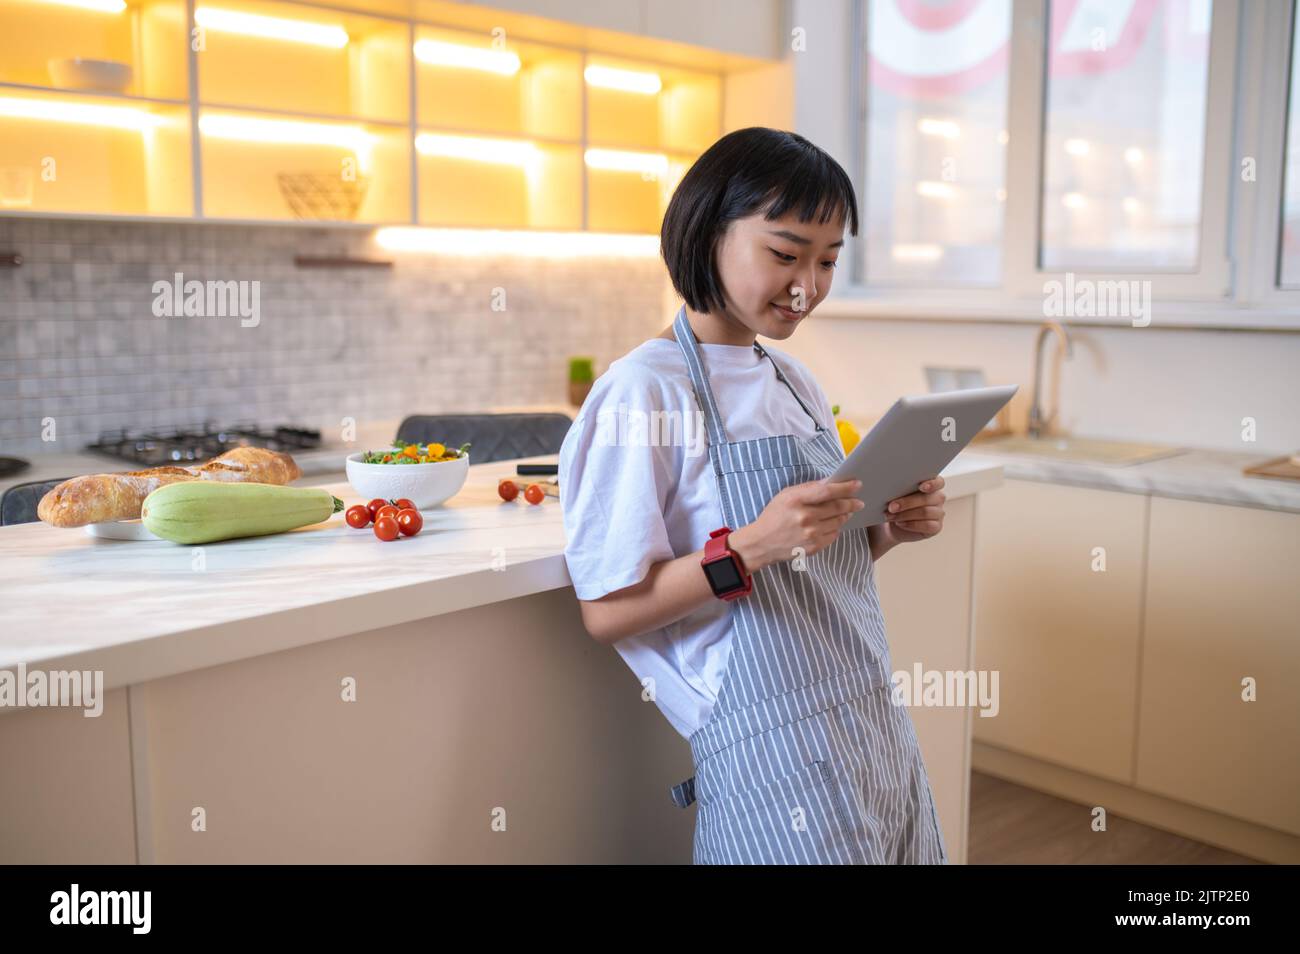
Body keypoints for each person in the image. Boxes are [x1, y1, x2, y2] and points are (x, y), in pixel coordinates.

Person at [559, 127, 948, 864]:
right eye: (785, 254)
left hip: (872, 728)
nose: (809, 284)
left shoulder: (795, 383)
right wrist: (744, 550)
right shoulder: (642, 392)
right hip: (773, 761)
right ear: (709, 233)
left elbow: (823, 564)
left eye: (829, 260)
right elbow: (606, 610)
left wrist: (890, 529)